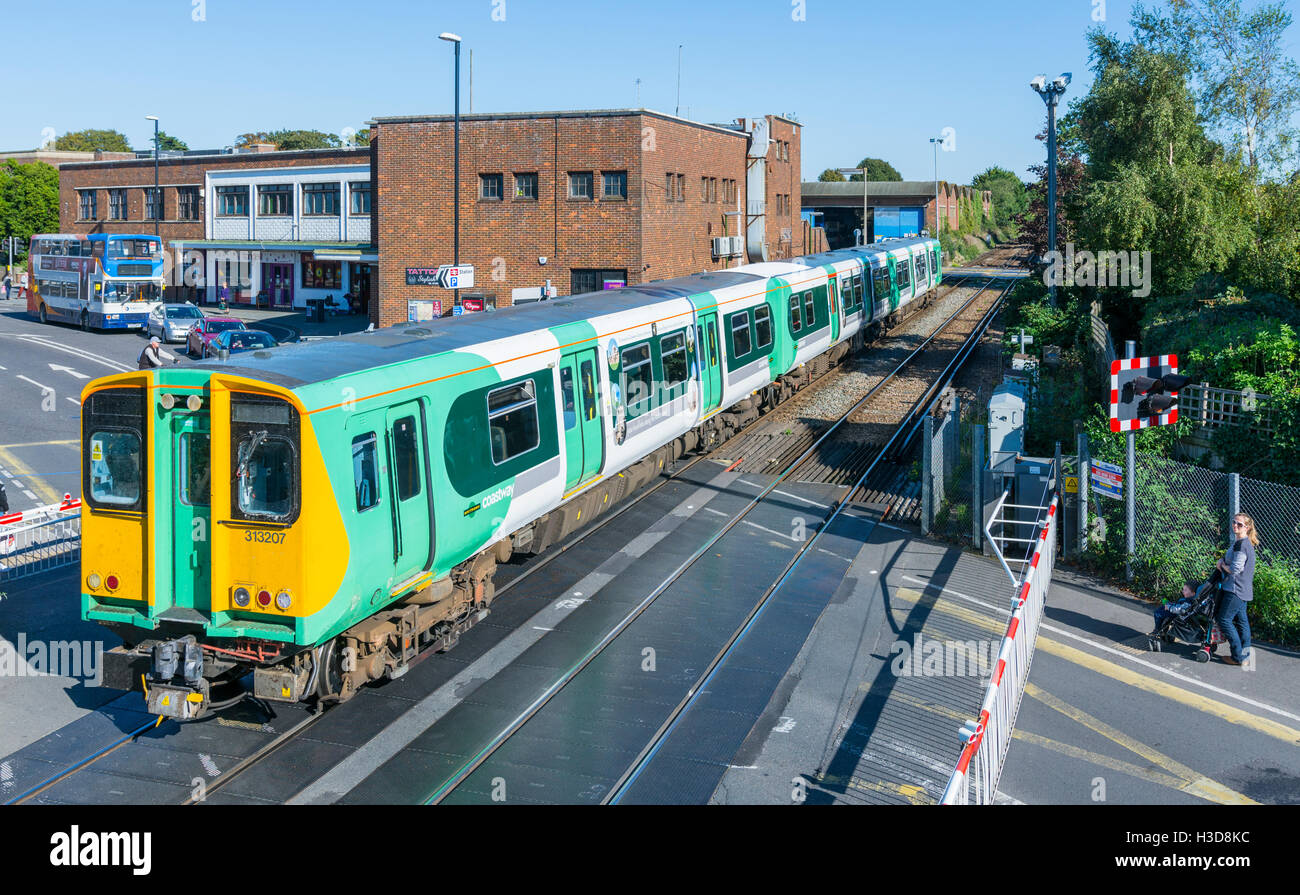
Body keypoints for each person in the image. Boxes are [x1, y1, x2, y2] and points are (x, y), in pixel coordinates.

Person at [1215, 513, 1258, 666]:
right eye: (1234, 522)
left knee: (1224, 620)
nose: (1235, 525)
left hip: (1235, 589)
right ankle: (1245, 657)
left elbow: (1235, 568)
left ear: (1246, 527)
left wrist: (1221, 566)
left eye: (1239, 524)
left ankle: (1237, 657)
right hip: (1243, 590)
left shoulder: (1241, 545)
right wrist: (1223, 560)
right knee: (1241, 622)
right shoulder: (1244, 543)